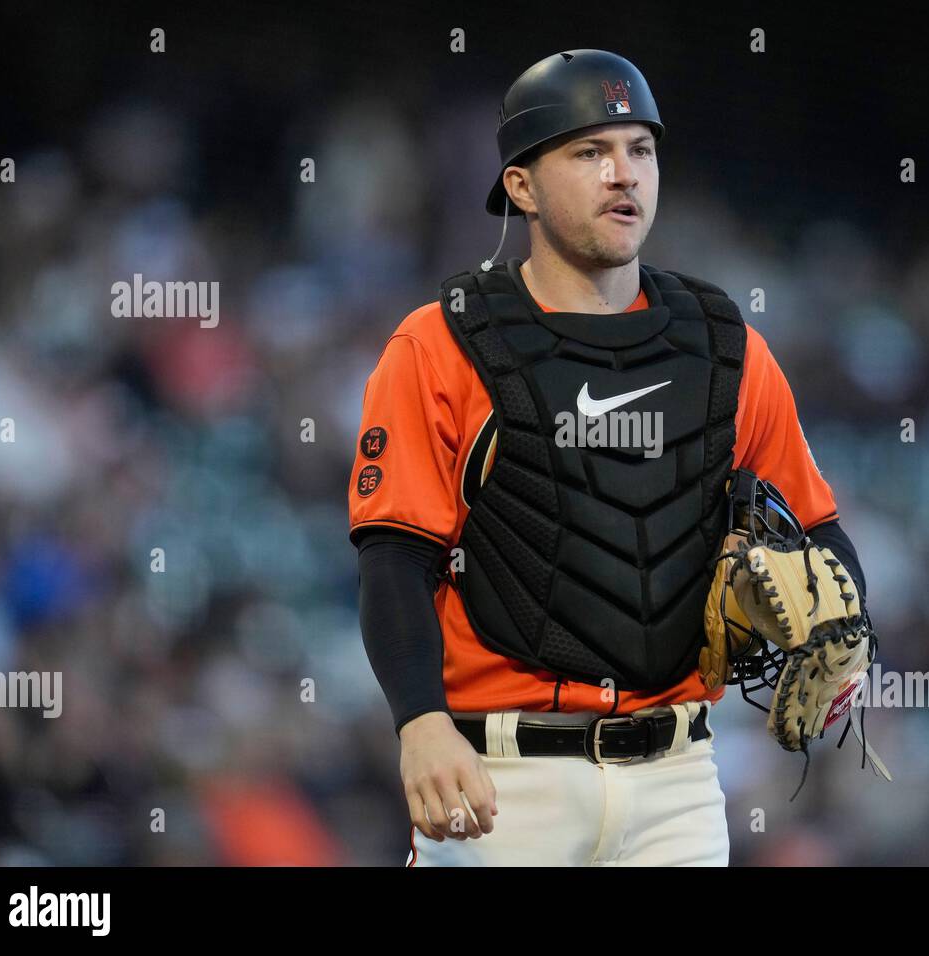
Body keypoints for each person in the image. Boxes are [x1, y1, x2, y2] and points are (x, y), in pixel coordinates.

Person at [348, 49, 868, 866]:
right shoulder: (442, 343)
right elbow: (393, 560)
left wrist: (845, 632)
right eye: (590, 152)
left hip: (678, 787)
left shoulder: (726, 348)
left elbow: (822, 533)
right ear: (520, 185)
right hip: (499, 784)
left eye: (641, 150)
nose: (623, 174)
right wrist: (419, 720)